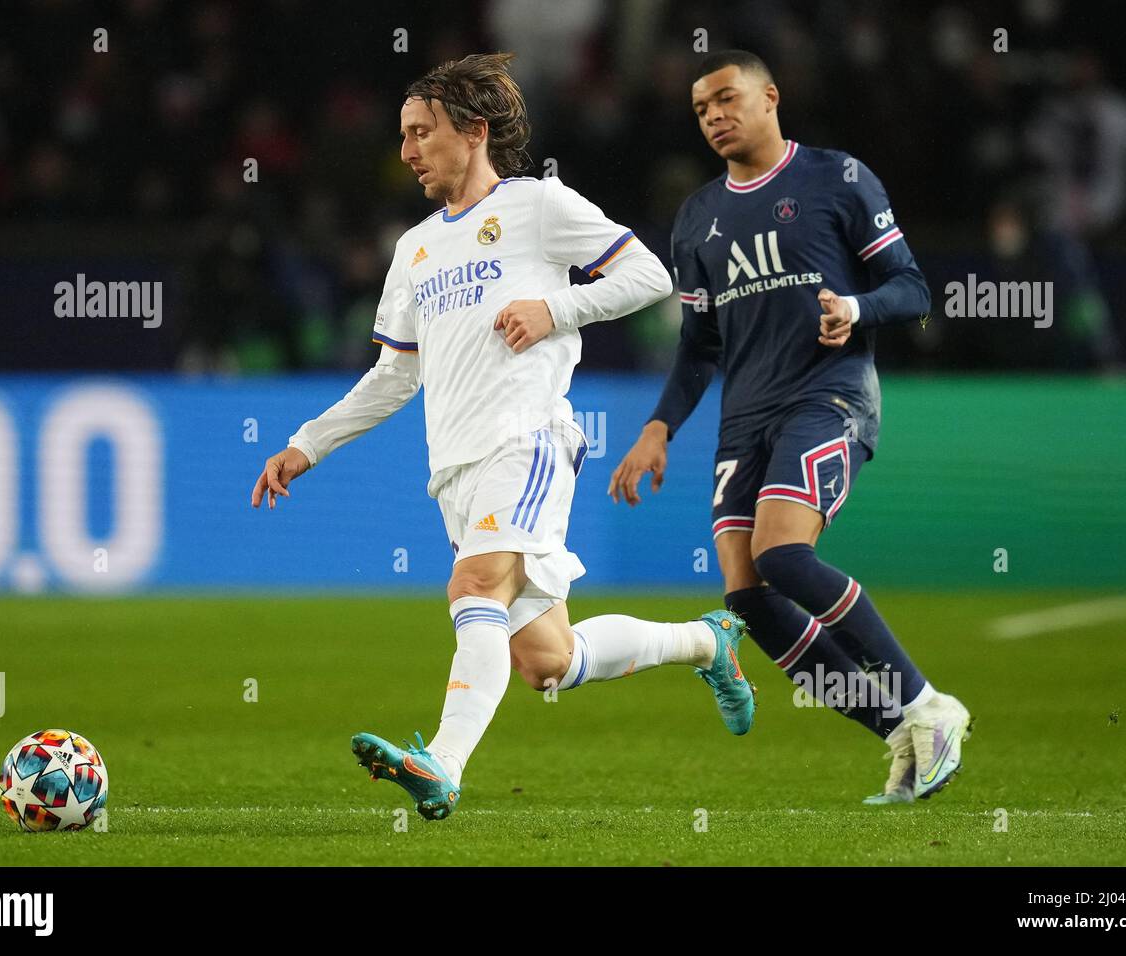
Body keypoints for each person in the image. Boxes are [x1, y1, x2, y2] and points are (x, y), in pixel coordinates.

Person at [251, 53, 755, 821]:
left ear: (474, 131)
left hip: (528, 442)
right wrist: (307, 444)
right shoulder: (414, 250)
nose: (407, 151)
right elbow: (393, 376)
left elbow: (649, 276)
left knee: (474, 586)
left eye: (422, 132)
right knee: (548, 661)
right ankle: (707, 644)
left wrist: (557, 311)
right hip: (454, 473)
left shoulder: (536, 206)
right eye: (404, 134)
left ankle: (441, 765)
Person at [610, 50, 971, 803]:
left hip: (828, 397)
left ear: (770, 97)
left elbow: (911, 287)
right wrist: (658, 428)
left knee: (781, 554)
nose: (712, 114)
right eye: (700, 107)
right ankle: (898, 732)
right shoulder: (697, 218)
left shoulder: (836, 179)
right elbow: (697, 347)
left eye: (726, 98)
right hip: (744, 421)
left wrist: (857, 307)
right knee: (746, 594)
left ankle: (928, 704)